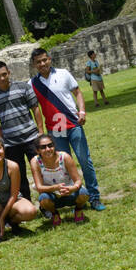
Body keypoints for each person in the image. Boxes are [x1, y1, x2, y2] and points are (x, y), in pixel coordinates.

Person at [30, 47, 104, 212]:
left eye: (44, 60)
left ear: (49, 59)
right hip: (56, 128)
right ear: (34, 65)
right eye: (38, 62)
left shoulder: (63, 73)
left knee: (85, 161)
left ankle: (94, 197)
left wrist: (82, 111)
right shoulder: (33, 84)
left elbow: (77, 92)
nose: (42, 64)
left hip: (73, 123)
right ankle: (73, 197)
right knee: (63, 164)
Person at [0, 60, 44, 201]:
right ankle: (27, 203)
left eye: (4, 74)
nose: (2, 78)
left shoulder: (23, 87)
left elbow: (35, 107)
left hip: (31, 137)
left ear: (9, 73)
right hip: (10, 142)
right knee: (19, 175)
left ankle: (46, 203)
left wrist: (40, 131)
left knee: (40, 171)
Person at [0, 135, 40, 242]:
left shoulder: (13, 166)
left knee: (31, 212)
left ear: (3, 149)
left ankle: (12, 223)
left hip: (12, 202)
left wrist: (2, 218)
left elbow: (14, 195)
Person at [29, 135, 89, 225]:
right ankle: (54, 213)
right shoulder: (35, 162)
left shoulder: (65, 157)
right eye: (43, 147)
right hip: (52, 195)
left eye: (50, 145)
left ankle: (78, 209)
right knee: (43, 199)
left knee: (84, 194)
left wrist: (73, 188)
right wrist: (55, 188)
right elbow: (39, 187)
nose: (48, 149)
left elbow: (78, 180)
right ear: (37, 151)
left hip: (70, 191)